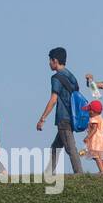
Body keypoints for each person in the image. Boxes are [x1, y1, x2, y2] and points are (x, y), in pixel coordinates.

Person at [36, 46, 83, 175]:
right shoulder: (71, 76)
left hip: (64, 117)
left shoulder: (56, 78)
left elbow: (53, 99)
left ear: (55, 60)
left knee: (70, 148)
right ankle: (48, 173)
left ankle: (79, 173)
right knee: (55, 147)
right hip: (73, 116)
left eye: (50, 60)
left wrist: (42, 119)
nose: (49, 63)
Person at [80, 99, 103, 173]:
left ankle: (102, 171)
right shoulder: (102, 119)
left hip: (96, 141)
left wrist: (87, 137)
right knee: (96, 156)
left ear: (92, 112)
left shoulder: (93, 119)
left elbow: (94, 129)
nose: (88, 112)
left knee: (96, 156)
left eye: (89, 110)